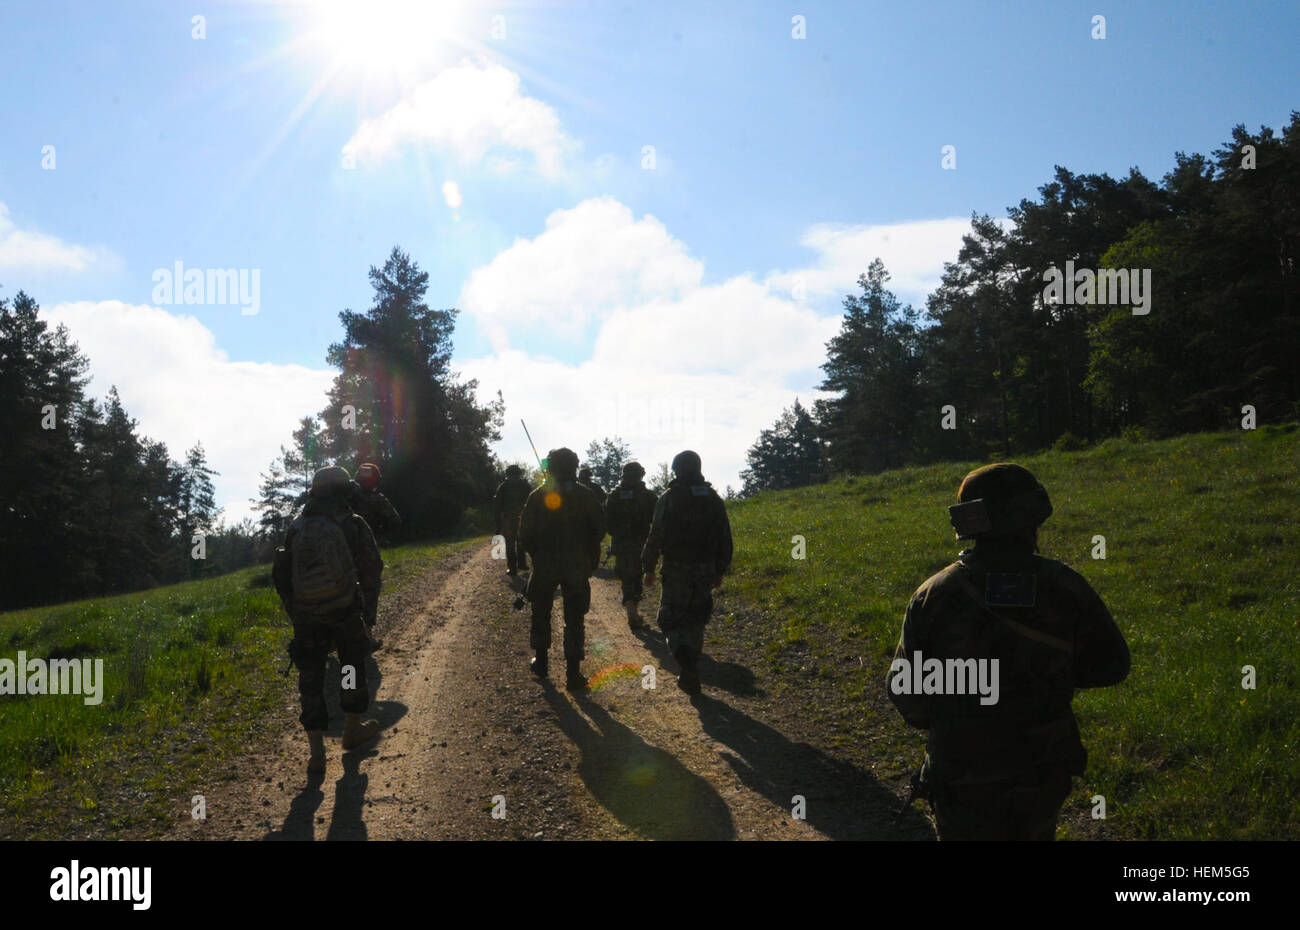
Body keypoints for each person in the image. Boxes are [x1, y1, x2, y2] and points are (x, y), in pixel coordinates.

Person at [887, 463, 1130, 840]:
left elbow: (908, 695)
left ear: (969, 520)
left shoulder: (934, 594)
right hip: (1037, 772)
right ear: (1031, 517)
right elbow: (1112, 666)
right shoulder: (1065, 587)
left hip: (959, 775)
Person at [273, 465, 384, 774]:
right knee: (350, 667)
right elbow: (373, 569)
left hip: (306, 614)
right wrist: (367, 614)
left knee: (311, 677)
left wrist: (295, 612)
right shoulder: (352, 524)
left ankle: (316, 753)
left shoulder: (298, 526)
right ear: (342, 492)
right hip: (344, 610)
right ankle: (351, 730)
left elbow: (282, 573)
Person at [642, 450, 733, 694]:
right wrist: (720, 568)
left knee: (669, 618)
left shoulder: (669, 498)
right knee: (697, 619)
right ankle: (691, 664)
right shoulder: (713, 498)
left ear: (676, 470)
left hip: (676, 568)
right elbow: (725, 536)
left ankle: (685, 662)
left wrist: (648, 567)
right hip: (705, 570)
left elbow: (656, 535)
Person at [518, 448, 605, 690]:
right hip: (576, 565)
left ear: (551, 467)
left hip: (545, 564)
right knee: (575, 618)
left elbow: (524, 534)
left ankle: (542, 663)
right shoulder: (586, 495)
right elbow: (599, 530)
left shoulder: (537, 496)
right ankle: (573, 673)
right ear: (574, 467)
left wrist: (537, 555)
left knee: (541, 611)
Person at [349, 462, 400, 649]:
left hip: (339, 551)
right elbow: (395, 521)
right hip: (366, 552)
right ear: (375, 480)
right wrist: (380, 537)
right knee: (369, 589)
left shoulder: (342, 498)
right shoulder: (377, 499)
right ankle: (366, 634)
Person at [603, 461, 659, 630]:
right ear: (641, 474)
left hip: (621, 544)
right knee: (637, 576)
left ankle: (630, 605)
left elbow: (607, 521)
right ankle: (633, 608)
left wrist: (618, 532)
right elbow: (656, 521)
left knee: (627, 576)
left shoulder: (614, 495)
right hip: (642, 543)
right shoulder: (649, 496)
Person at [492, 464, 533, 576]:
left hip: (508, 520)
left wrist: (498, 525)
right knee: (521, 542)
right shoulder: (525, 485)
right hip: (522, 519)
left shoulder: (503, 486)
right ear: (519, 473)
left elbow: (497, 506)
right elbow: (532, 502)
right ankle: (522, 564)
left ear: (507, 474)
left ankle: (512, 568)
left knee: (510, 544)